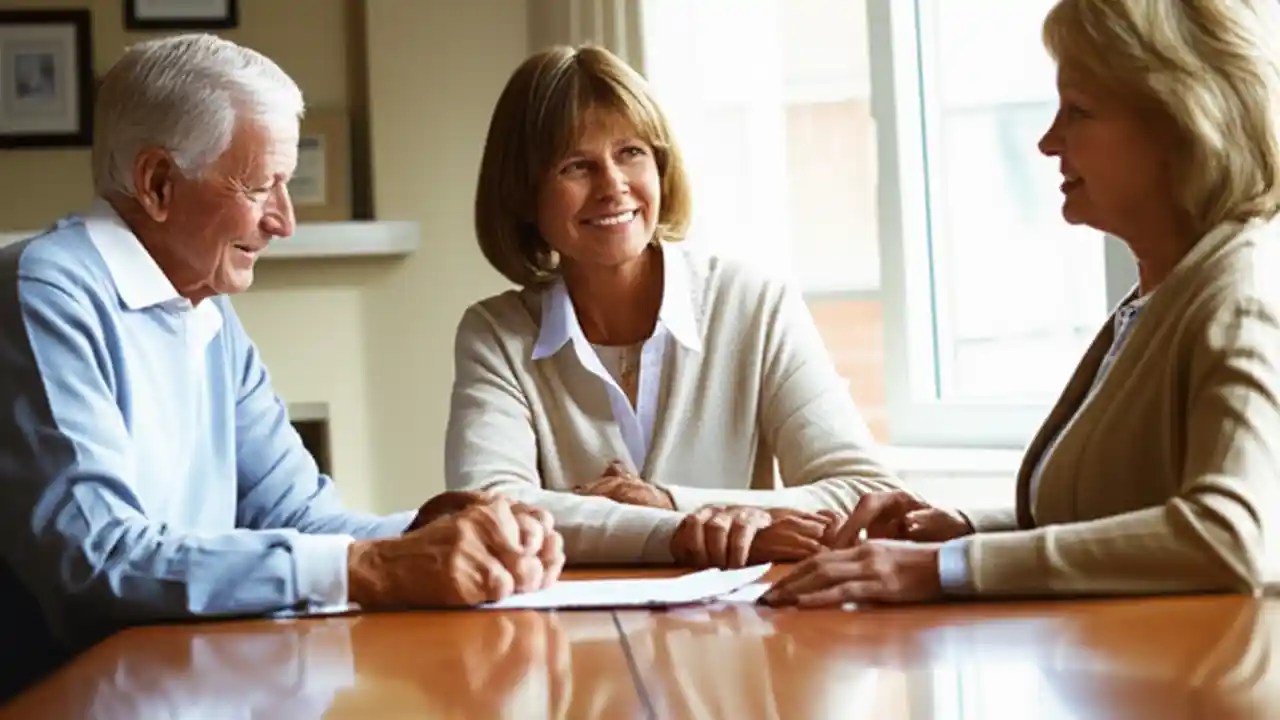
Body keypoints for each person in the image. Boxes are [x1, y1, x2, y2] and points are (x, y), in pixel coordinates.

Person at [0, 34, 563, 700]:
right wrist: (377, 565)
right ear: (157, 183)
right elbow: (96, 560)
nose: (284, 221)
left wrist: (440, 533)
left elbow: (303, 517)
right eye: (262, 186)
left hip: (179, 687)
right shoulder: (45, 289)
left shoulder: (205, 312)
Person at [765, 0, 1280, 607]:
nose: (1047, 141)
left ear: (1182, 124)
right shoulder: (1167, 296)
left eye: (1078, 111)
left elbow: (1230, 537)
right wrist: (959, 532)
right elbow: (1117, 518)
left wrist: (946, 569)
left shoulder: (1242, 300)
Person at [444, 44, 903, 569]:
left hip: (744, 616)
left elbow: (866, 492)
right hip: (567, 618)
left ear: (660, 166)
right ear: (524, 196)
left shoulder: (754, 304)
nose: (613, 186)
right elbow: (490, 511)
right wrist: (683, 531)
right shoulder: (496, 335)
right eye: (577, 166)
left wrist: (671, 501)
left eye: (630, 153)